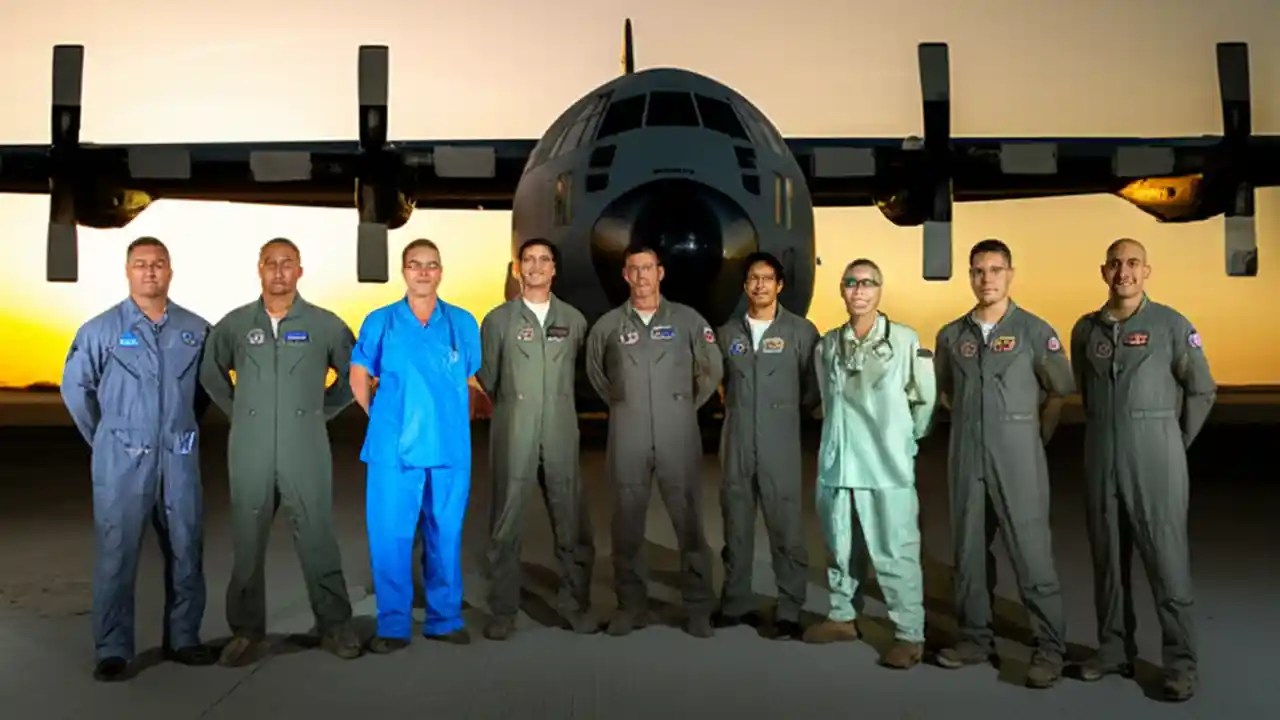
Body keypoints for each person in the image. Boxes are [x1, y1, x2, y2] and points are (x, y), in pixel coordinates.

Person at [199, 237, 362, 665]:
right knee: (247, 542)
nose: (278, 271)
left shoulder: (326, 325)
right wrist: (242, 411)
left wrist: (316, 412)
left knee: (318, 536)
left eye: (287, 263)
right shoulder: (234, 325)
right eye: (270, 263)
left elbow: (352, 375)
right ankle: (246, 631)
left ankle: (335, 625)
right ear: (259, 269)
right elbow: (211, 373)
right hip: (249, 448)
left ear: (300, 271)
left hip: (304, 446)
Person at [61, 236, 218, 681]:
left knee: (187, 548)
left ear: (171, 271)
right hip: (121, 463)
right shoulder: (100, 331)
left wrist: (178, 430)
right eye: (141, 264)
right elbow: (77, 392)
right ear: (127, 271)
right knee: (117, 554)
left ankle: (184, 638)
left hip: (179, 460)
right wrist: (109, 439)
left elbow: (203, 394)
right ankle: (113, 648)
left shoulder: (195, 330)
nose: (150, 271)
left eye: (159, 264)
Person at [1068, 238, 1214, 702]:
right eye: (1115, 264)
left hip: (1156, 458)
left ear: (1147, 271)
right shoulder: (1085, 329)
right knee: (1107, 559)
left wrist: (1172, 441)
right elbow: (1089, 396)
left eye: (1133, 263)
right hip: (1101, 455)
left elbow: (1202, 391)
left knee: (1167, 561)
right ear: (1103, 271)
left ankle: (1181, 664)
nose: (1123, 272)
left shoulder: (1171, 324)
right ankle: (1113, 649)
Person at [932, 238, 1073, 688]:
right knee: (969, 552)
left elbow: (1059, 389)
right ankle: (975, 638)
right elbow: (945, 391)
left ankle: (1049, 649)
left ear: (1010, 274)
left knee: (1031, 554)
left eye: (995, 270)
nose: (986, 279)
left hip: (1018, 458)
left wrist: (1036, 434)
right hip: (966, 454)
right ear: (969, 275)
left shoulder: (1034, 331)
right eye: (978, 271)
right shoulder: (952, 336)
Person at [802, 259, 936, 669]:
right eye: (851, 283)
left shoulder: (905, 340)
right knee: (840, 547)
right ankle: (843, 616)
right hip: (838, 466)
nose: (859, 290)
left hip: (886, 467)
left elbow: (925, 401)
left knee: (895, 552)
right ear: (841, 290)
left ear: (880, 290)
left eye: (868, 283)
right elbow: (825, 399)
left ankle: (909, 634)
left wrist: (903, 442)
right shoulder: (827, 345)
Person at [585, 244, 724, 638]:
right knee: (626, 522)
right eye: (634, 269)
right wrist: (626, 403)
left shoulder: (687, 320)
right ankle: (631, 606)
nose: (642, 276)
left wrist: (681, 405)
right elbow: (597, 373)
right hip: (627, 433)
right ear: (625, 276)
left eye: (649, 268)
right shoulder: (609, 326)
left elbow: (711, 369)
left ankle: (698, 606)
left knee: (689, 519)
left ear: (660, 273)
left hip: (676, 432)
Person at [350, 238, 482, 651]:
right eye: (415, 265)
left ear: (441, 272)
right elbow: (358, 375)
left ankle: (444, 618)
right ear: (403, 271)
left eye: (431, 265)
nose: (423, 272)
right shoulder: (381, 321)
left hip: (448, 450)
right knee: (390, 536)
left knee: (445, 534)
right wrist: (383, 418)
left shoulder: (461, 322)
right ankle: (392, 625)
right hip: (394, 451)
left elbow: (471, 381)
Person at [477, 238, 596, 640]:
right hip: (514, 428)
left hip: (561, 429)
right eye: (528, 260)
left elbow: (580, 375)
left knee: (571, 517)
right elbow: (489, 378)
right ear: (517, 268)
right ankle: (503, 609)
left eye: (545, 260)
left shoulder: (574, 320)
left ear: (554, 270)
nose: (536, 266)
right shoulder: (497, 321)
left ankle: (575, 604)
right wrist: (517, 406)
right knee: (506, 519)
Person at [713, 251, 819, 640]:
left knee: (786, 527)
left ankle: (790, 607)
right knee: (736, 525)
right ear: (745, 285)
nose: (760, 285)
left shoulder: (801, 333)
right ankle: (736, 601)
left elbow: (812, 387)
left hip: (780, 443)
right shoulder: (728, 334)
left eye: (767, 279)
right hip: (737, 440)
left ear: (780, 285)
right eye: (753, 279)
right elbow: (719, 382)